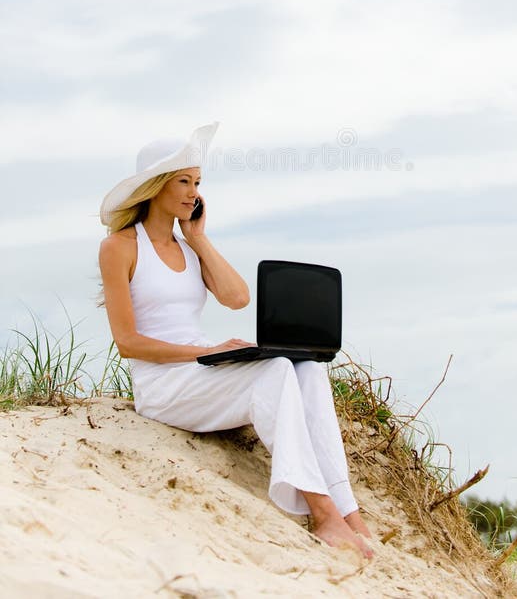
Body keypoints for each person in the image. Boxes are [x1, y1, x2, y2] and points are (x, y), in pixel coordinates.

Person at [98, 122, 372, 557]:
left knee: (306, 365)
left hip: (201, 372)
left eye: (198, 183)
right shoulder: (120, 247)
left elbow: (237, 297)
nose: (193, 192)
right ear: (154, 186)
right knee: (278, 368)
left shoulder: (189, 249)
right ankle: (323, 516)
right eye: (183, 181)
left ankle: (349, 510)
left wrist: (198, 237)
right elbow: (128, 343)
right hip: (162, 386)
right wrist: (206, 352)